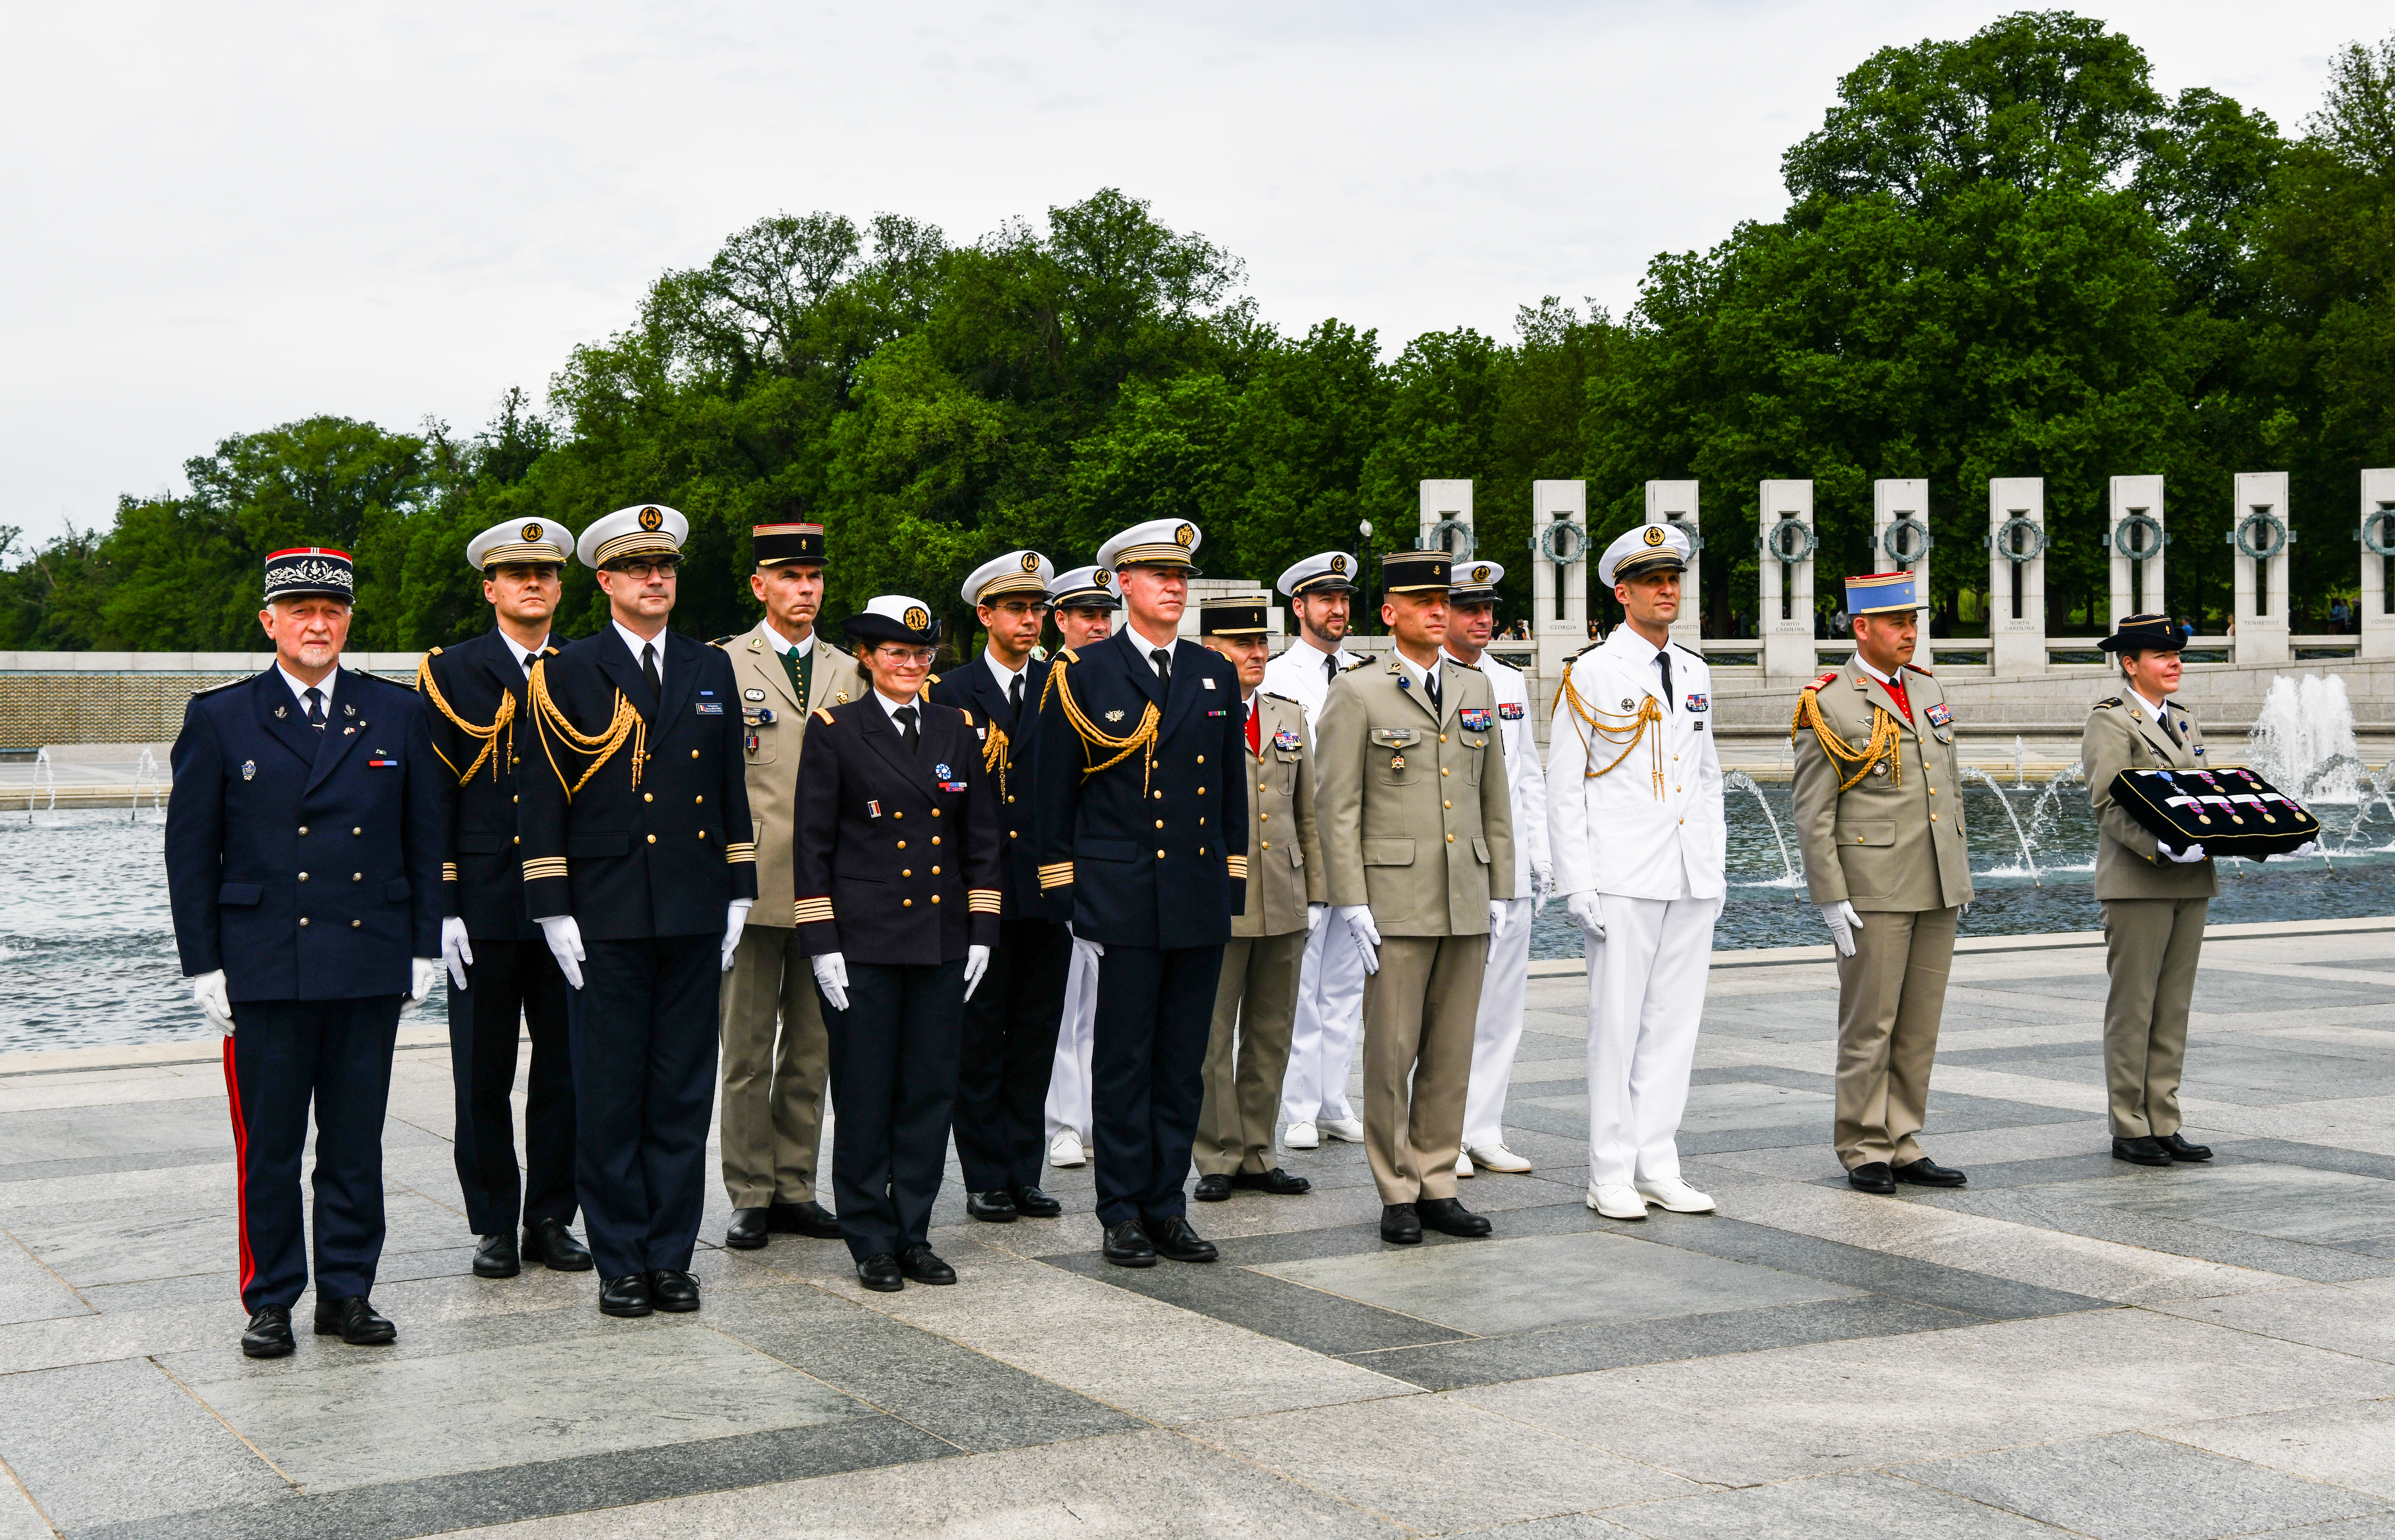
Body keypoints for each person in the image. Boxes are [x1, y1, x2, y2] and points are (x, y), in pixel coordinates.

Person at [166, 546, 443, 1358]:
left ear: (348, 621)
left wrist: (423, 943)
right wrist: (202, 963)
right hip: (265, 963)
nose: (316, 625)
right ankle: (272, 1297)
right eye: (299, 611)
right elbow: (192, 853)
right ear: (270, 622)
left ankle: (349, 1291)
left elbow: (423, 838)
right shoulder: (221, 717)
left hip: (366, 956)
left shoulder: (395, 713)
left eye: (330, 612)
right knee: (273, 1145)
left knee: (356, 1141)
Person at [518, 504, 757, 1318]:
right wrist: (552, 905)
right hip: (606, 911)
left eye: (666, 567)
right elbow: (541, 793)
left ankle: (671, 1255)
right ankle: (620, 1259)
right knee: (611, 1094)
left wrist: (739, 888)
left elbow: (731, 788)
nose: (656, 579)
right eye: (638, 568)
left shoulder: (708, 667)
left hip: (691, 905)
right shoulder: (566, 670)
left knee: (682, 1095)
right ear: (607, 582)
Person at [1033, 518, 1248, 1268]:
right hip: (1122, 896)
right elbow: (1051, 797)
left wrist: (1232, 881)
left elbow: (1229, 792)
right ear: (1123, 584)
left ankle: (1167, 1204)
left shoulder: (1211, 671)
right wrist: (1067, 892)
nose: (1174, 587)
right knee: (1123, 1061)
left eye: (1181, 576)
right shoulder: (1082, 675)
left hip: (1192, 893)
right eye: (1158, 575)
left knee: (1181, 1061)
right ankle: (1121, 1211)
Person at [793, 597, 1001, 1291]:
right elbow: (813, 843)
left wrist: (982, 930)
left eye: (922, 654)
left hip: (941, 938)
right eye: (896, 653)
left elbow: (981, 838)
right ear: (866, 655)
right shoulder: (835, 730)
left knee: (927, 1091)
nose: (911, 665)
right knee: (865, 1090)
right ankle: (869, 1236)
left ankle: (913, 1229)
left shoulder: (956, 727)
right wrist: (821, 941)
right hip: (865, 941)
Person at [1316, 548, 1513, 1245]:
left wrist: (1500, 884)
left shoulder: (1475, 687)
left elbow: (1494, 797)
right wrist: (1351, 898)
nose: (1440, 611)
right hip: (1394, 897)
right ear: (1390, 613)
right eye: (1425, 602)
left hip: (1463, 894)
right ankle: (1395, 1187)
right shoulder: (1359, 691)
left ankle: (1436, 1180)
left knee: (1451, 1050)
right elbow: (1335, 806)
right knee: (1391, 1051)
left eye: (1447, 601)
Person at [418, 519, 593, 1281]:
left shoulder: (588, 670)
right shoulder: (451, 672)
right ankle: (493, 1221)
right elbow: (429, 800)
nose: (533, 584)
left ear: (560, 586)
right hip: (483, 906)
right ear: (490, 588)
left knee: (568, 1071)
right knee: (480, 1074)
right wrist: (443, 905)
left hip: (572, 907)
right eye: (516, 573)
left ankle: (552, 1217)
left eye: (545, 573)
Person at [1547, 527, 1726, 1219]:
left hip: (1686, 874)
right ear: (1621, 593)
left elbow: (1707, 778)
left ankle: (1658, 1160)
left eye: (1673, 578)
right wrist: (1578, 882)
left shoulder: (1692, 670)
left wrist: (1711, 863)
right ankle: (1609, 1171)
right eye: (1652, 580)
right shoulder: (1590, 671)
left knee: (1674, 1026)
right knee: (1616, 1027)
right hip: (1621, 873)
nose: (1667, 590)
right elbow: (1564, 784)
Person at [2083, 614, 2302, 1165]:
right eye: (2161, 654)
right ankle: (2128, 1125)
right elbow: (2107, 805)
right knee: (2134, 1007)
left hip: (2191, 877)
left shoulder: (2182, 720)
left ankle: (2163, 1118)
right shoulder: (2111, 722)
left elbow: (2205, 802)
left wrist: (2268, 839)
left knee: (2172, 1006)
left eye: (2177, 653)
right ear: (2130, 664)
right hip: (2139, 881)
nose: (2175, 662)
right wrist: (2160, 847)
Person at [1791, 571, 1973, 1194]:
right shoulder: (1830, 700)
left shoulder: (1925, 689)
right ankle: (1862, 1142)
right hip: (1872, 886)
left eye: (1912, 621)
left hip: (1934, 881)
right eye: (1896, 623)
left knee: (1918, 1021)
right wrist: (1830, 895)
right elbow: (1812, 811)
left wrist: (1957, 871)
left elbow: (1944, 790)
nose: (1909, 633)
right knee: (1869, 1022)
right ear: (1860, 627)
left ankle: (1902, 1139)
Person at [715, 522, 857, 1250]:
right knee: (744, 1051)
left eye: (814, 577)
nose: (806, 590)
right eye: (790, 577)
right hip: (755, 883)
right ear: (759, 586)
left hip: (829, 888)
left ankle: (796, 1185)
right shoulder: (723, 664)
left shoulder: (849, 669)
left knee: (811, 1048)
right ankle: (749, 1190)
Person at [930, 551, 1072, 1224]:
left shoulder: (1061, 683)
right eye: (1016, 608)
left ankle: (1025, 1170)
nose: (1030, 620)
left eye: (1037, 608)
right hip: (978, 890)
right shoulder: (950, 691)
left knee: (1036, 1033)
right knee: (981, 1036)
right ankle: (986, 1174)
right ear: (984, 614)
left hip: (1046, 887)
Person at [1192, 593, 1323, 1202]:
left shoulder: (1286, 715)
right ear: (1210, 649)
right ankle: (1216, 1154)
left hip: (1284, 896)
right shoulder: (1189, 712)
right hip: (1220, 895)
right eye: (1241, 642)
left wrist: (1317, 891)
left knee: (1271, 1031)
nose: (1255, 652)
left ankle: (1258, 1152)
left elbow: (1309, 813)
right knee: (1213, 1036)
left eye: (1261, 641)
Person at [1441, 561, 1550, 1179]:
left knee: (1502, 1006)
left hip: (1504, 866)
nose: (1482, 619)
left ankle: (1484, 1126)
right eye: (1468, 608)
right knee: (1448, 1006)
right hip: (1454, 864)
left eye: (1487, 609)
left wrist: (1544, 858)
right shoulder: (1428, 679)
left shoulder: (1507, 683)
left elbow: (1527, 774)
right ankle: (1443, 1129)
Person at [1262, 551, 1368, 1152]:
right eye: (1325, 599)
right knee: (1298, 987)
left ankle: (1332, 1100)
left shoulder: (1363, 673)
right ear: (1298, 606)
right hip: (1300, 849)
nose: (1337, 610)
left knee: (1345, 986)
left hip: (1354, 849)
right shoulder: (1277, 678)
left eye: (1343, 599)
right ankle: (1298, 1107)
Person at [1039, 564, 1118, 1170]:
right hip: (1070, 864)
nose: (1098, 624)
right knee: (1065, 1004)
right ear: (1059, 620)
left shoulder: (1115, 680)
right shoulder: (1055, 683)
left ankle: (1088, 1113)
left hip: (1112, 863)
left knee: (1100, 1007)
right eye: (1085, 615)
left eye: (1104, 614)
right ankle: (1065, 1120)